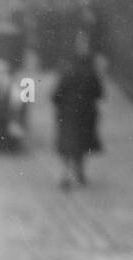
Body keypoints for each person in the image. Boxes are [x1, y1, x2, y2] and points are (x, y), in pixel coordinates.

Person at [51, 32, 103, 190]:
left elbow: (56, 94)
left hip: (70, 115)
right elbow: (99, 93)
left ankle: (67, 174)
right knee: (79, 145)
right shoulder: (90, 71)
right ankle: (75, 172)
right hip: (83, 115)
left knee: (70, 145)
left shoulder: (69, 71)